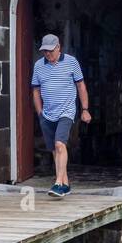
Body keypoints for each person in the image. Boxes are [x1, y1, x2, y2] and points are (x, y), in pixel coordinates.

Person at [30, 33, 90, 198]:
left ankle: (57, 184)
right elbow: (35, 90)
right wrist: (40, 112)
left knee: (59, 145)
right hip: (47, 114)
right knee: (55, 150)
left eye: (50, 51)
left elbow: (81, 86)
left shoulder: (71, 62)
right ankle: (65, 184)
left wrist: (85, 109)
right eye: (44, 51)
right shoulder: (38, 65)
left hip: (66, 111)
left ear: (58, 47)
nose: (47, 54)